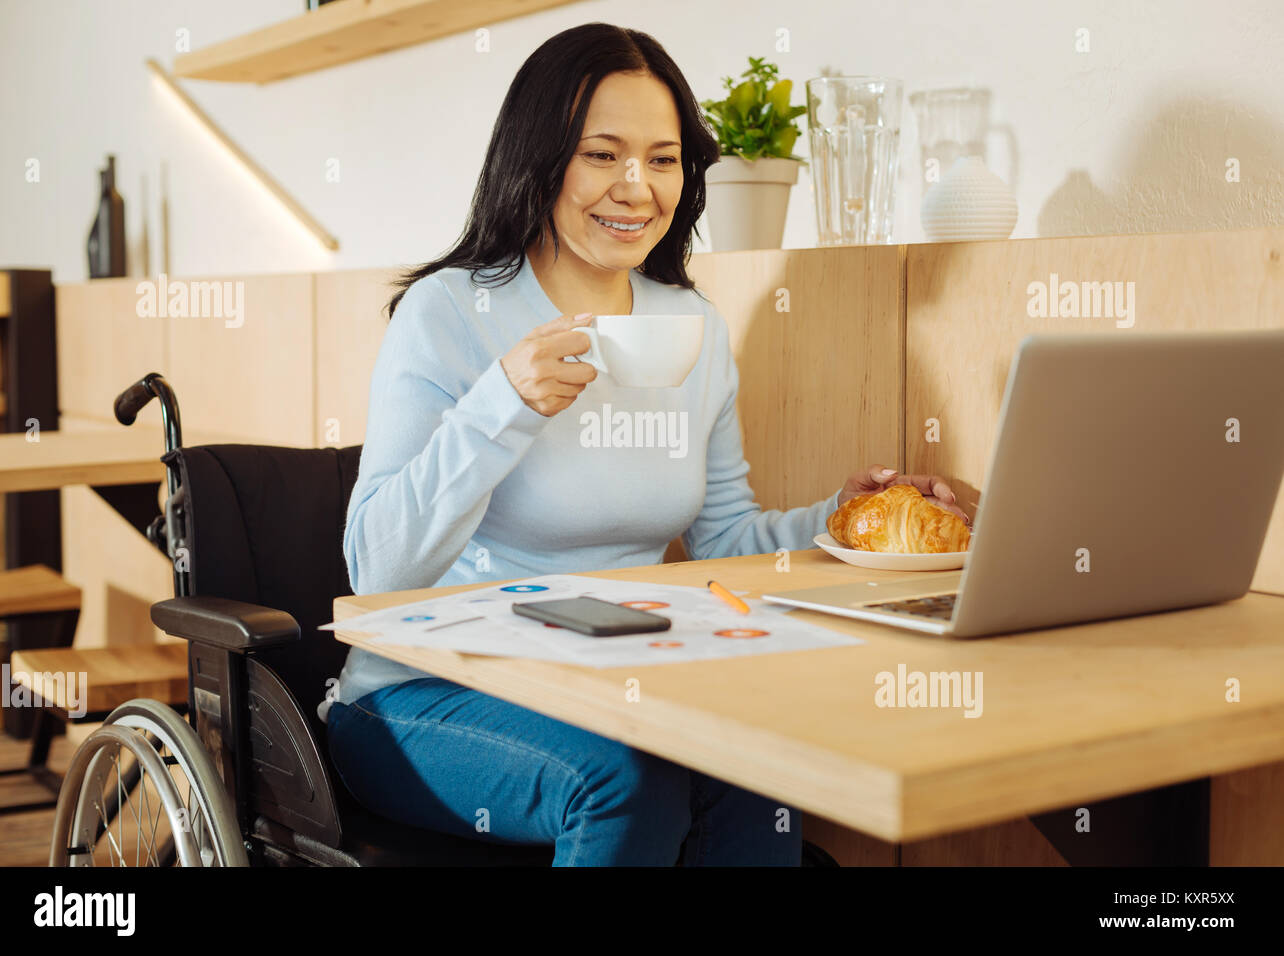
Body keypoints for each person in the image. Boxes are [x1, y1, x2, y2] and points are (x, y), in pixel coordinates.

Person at [326, 22, 969, 866]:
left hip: (614, 678)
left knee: (758, 764)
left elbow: (727, 540)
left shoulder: (690, 324)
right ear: (540, 157)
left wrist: (848, 522)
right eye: (602, 154)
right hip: (430, 691)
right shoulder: (450, 313)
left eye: (662, 160)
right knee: (625, 781)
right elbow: (376, 571)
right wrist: (503, 405)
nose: (637, 188)